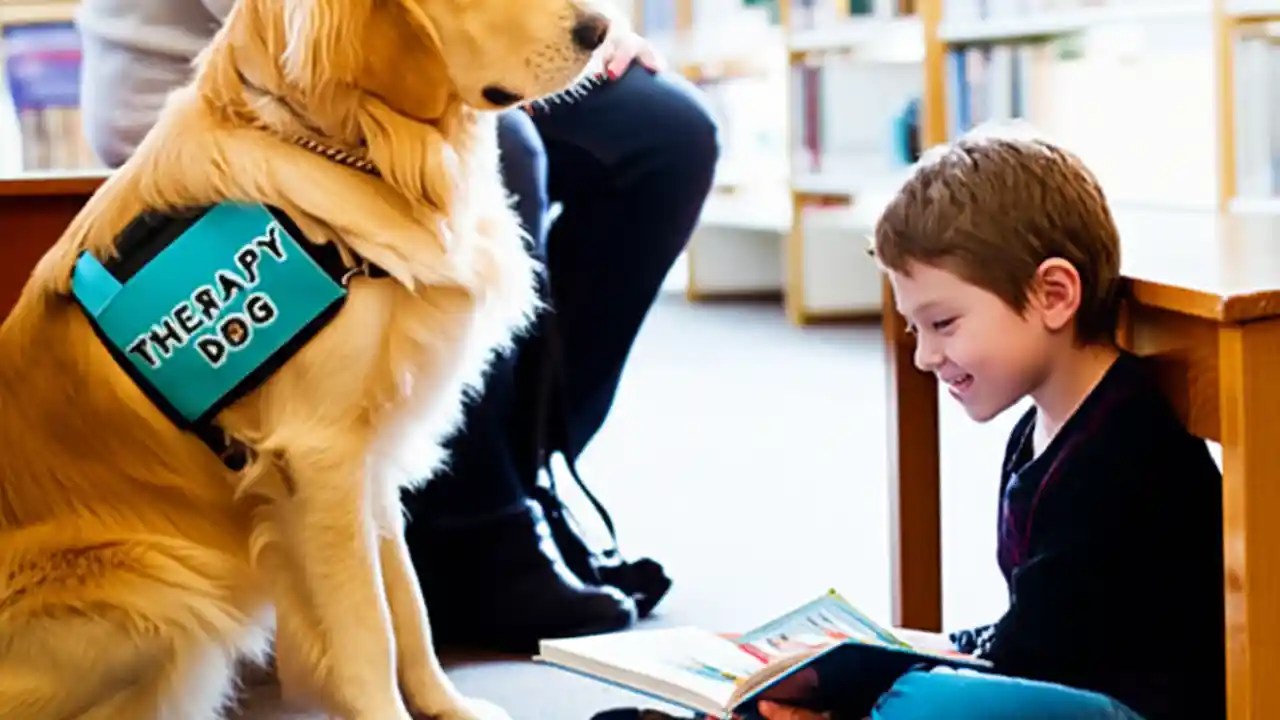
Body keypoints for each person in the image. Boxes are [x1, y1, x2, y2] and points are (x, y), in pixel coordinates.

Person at [76, 0, 719, 651]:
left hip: (431, 28)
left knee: (668, 135)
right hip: (251, 73)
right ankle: (479, 533)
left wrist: (567, 23)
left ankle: (513, 479)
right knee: (510, 150)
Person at [594, 127, 1225, 720]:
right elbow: (1029, 631)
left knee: (917, 700)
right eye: (915, 328)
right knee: (867, 677)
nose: (924, 356)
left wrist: (847, 681)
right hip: (1063, 680)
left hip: (1128, 709)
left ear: (1054, 295)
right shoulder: (1040, 430)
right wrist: (830, 667)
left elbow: (1031, 662)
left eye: (944, 324)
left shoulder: (1123, 448)